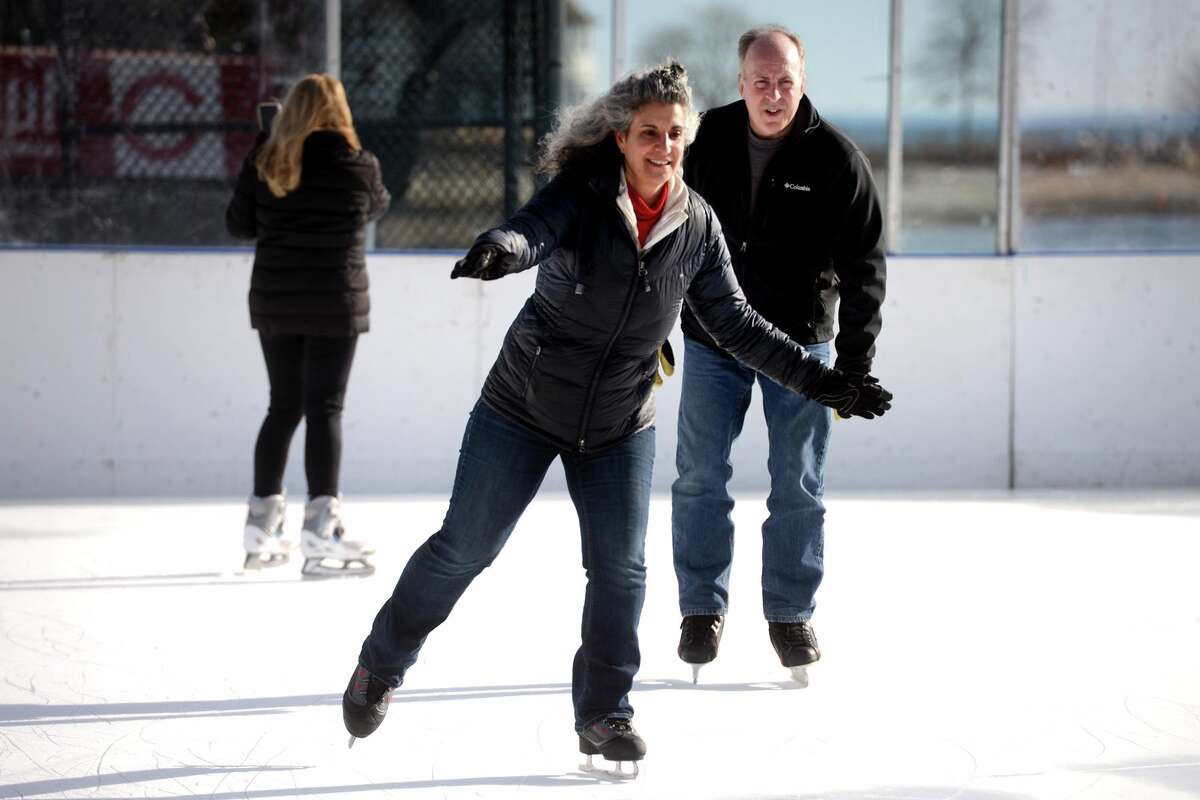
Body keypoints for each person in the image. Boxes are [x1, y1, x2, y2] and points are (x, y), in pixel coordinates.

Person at [340, 61, 890, 775]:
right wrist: (503, 250)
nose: (664, 147)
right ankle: (380, 665)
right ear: (621, 139)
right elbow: (533, 228)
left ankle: (604, 713)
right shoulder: (582, 195)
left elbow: (740, 327)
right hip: (523, 408)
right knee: (464, 548)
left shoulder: (697, 226)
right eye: (649, 134)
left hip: (619, 424)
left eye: (676, 136)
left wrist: (827, 384)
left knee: (621, 573)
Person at [672, 25, 888, 683]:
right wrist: (652, 324)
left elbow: (865, 267)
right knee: (700, 474)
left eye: (785, 81)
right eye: (761, 81)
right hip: (714, 337)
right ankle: (701, 611)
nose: (773, 93)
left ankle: (791, 615)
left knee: (798, 482)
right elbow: (660, 227)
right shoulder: (703, 140)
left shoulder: (836, 160)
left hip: (801, 344)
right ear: (740, 84)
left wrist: (851, 368)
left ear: (802, 80)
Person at [225, 74, 390, 577]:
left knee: (283, 405)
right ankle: (320, 528)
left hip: (276, 301)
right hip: (334, 303)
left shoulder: (268, 162)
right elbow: (378, 206)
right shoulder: (358, 165)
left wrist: (263, 144)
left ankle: (261, 524)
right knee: (325, 408)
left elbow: (239, 225)